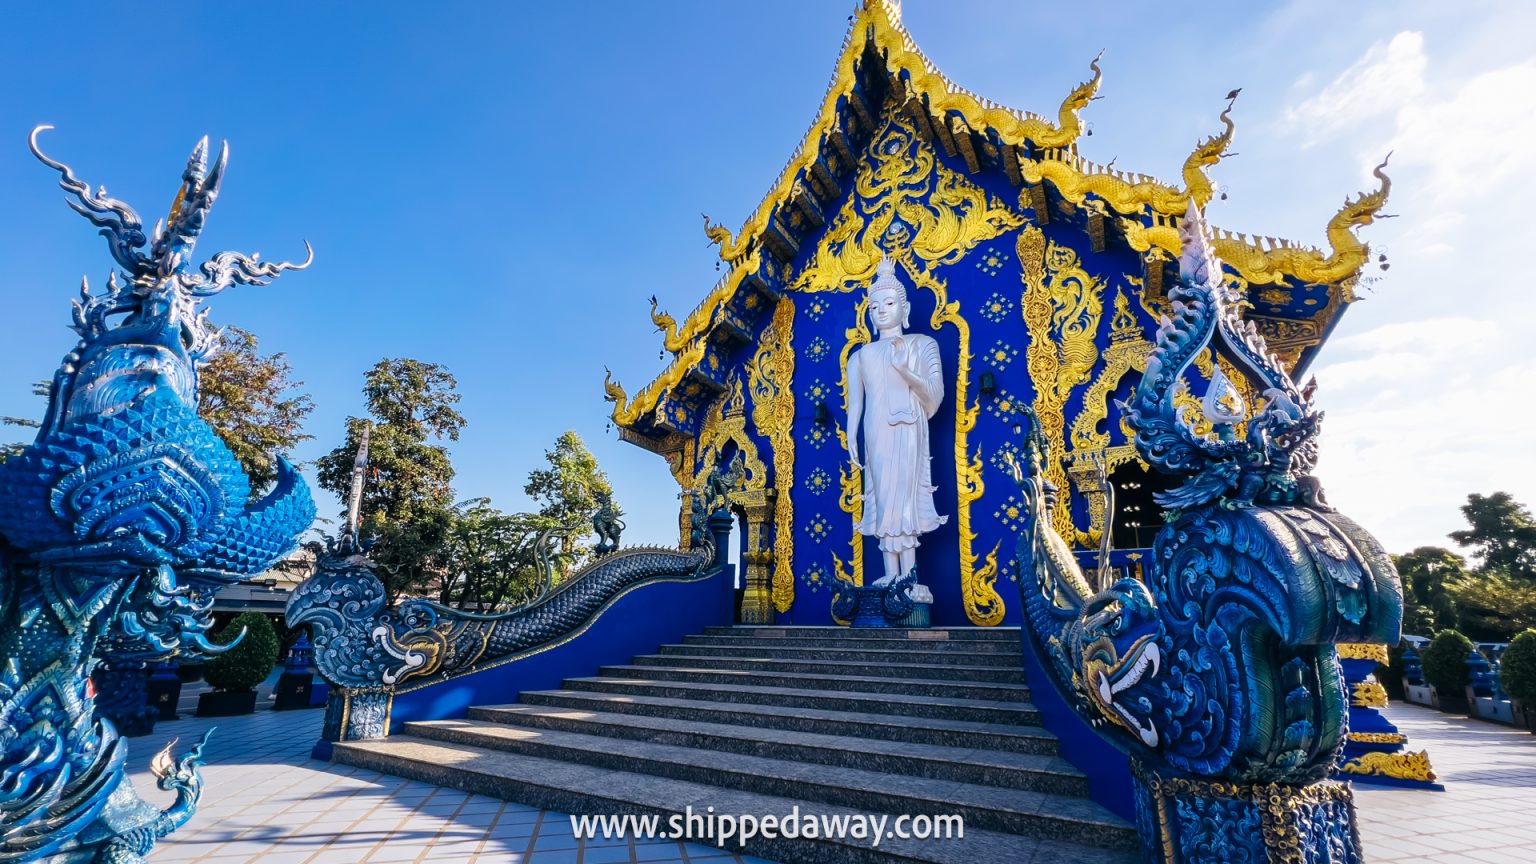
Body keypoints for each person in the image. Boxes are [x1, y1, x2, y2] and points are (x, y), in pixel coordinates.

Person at [846, 255, 946, 593]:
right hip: (875, 431)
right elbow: (856, 404)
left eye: (889, 303)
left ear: (904, 310)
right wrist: (851, 435)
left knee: (904, 498)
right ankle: (890, 573)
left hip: (908, 427)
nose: (881, 310)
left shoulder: (922, 345)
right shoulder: (860, 356)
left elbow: (934, 396)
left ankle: (910, 575)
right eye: (875, 306)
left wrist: (906, 370)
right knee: (883, 498)